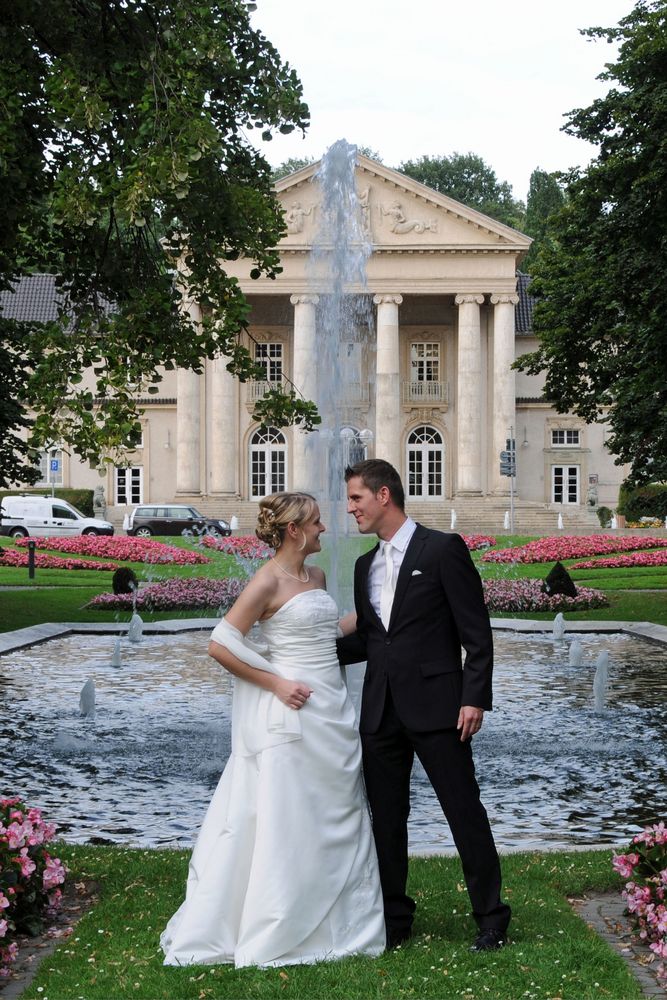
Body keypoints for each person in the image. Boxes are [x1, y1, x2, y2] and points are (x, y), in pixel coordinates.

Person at [160, 492, 385, 969]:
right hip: (293, 709)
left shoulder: (317, 576)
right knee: (289, 814)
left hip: (332, 707)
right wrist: (277, 684)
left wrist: (382, 614)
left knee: (336, 808)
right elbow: (221, 644)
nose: (325, 528)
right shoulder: (265, 580)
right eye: (317, 522)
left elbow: (326, 633)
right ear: (294, 530)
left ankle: (346, 923)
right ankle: (279, 924)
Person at [337, 459, 511, 952]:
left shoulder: (442, 549)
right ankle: (395, 920)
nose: (350, 509)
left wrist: (474, 697)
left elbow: (476, 633)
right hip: (380, 713)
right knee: (386, 821)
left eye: (356, 499)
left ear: (384, 495)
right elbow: (374, 639)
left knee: (464, 812)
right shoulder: (362, 565)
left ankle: (492, 918)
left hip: (440, 709)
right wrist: (307, 656)